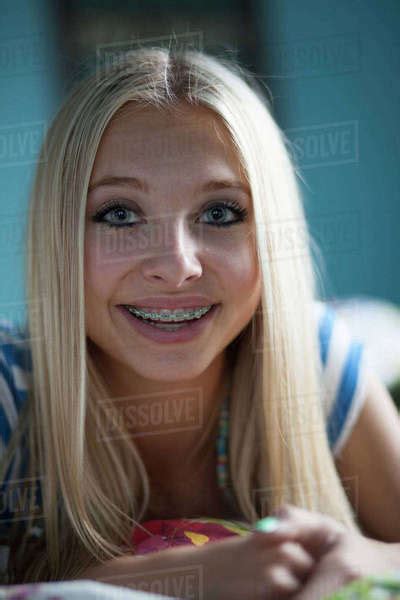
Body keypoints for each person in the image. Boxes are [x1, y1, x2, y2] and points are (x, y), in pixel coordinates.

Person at [0, 45, 399, 596]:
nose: (177, 266)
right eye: (119, 214)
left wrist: (367, 553)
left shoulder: (316, 357)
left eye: (220, 213)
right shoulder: (7, 389)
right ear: (57, 237)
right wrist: (185, 577)